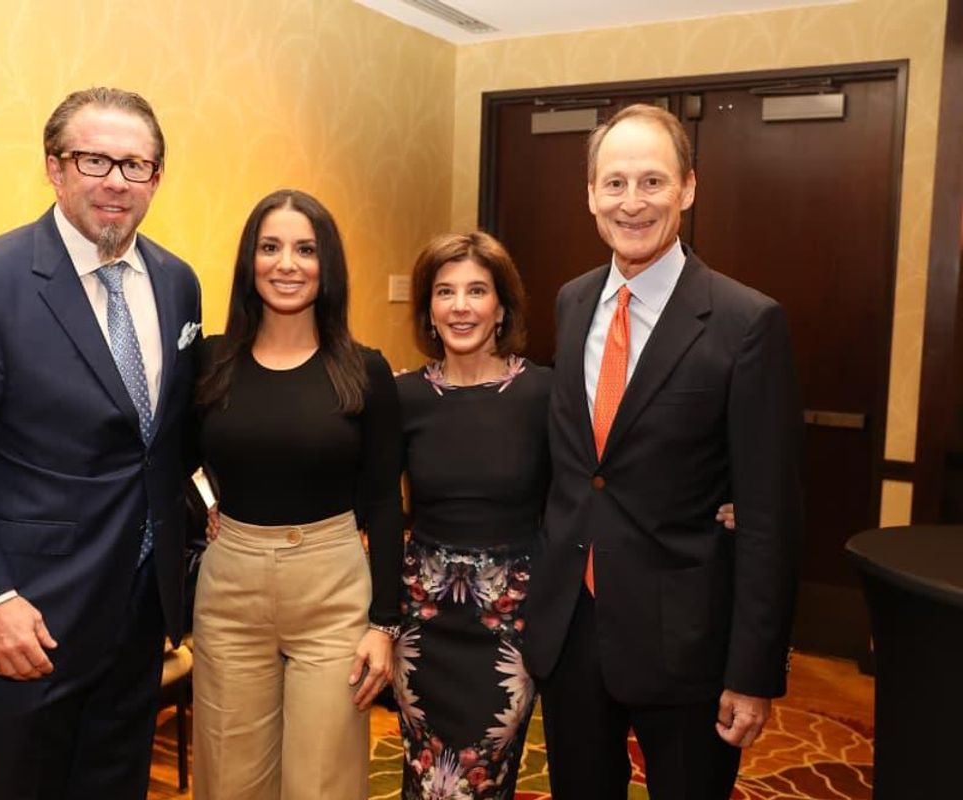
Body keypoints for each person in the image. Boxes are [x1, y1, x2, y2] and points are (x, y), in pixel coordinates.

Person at [0, 87, 202, 800]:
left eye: (135, 165)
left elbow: (165, 441)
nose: (116, 181)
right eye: (94, 160)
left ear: (157, 178)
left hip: (139, 613)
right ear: (54, 167)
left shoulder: (177, 282)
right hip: (27, 619)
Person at [523, 103, 803, 800]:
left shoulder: (746, 322)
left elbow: (770, 516)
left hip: (688, 642)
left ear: (688, 188)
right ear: (590, 195)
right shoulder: (571, 303)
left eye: (652, 181)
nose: (632, 202)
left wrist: (753, 671)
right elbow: (582, 468)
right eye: (614, 183)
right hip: (572, 627)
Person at [192, 189, 403, 800]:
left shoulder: (364, 369)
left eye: (305, 250)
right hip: (230, 588)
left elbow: (385, 501)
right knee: (230, 779)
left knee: (323, 781)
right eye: (271, 247)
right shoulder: (209, 360)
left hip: (332, 589)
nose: (287, 264)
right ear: (249, 261)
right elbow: (170, 460)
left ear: (326, 263)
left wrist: (384, 624)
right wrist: (204, 508)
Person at [393, 232, 551, 798]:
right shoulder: (403, 396)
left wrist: (713, 500)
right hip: (423, 621)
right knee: (424, 775)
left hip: (508, 625)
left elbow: (591, 486)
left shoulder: (545, 394)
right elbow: (373, 499)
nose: (460, 306)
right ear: (429, 310)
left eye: (477, 291)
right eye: (445, 292)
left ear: (502, 307)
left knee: (483, 777)